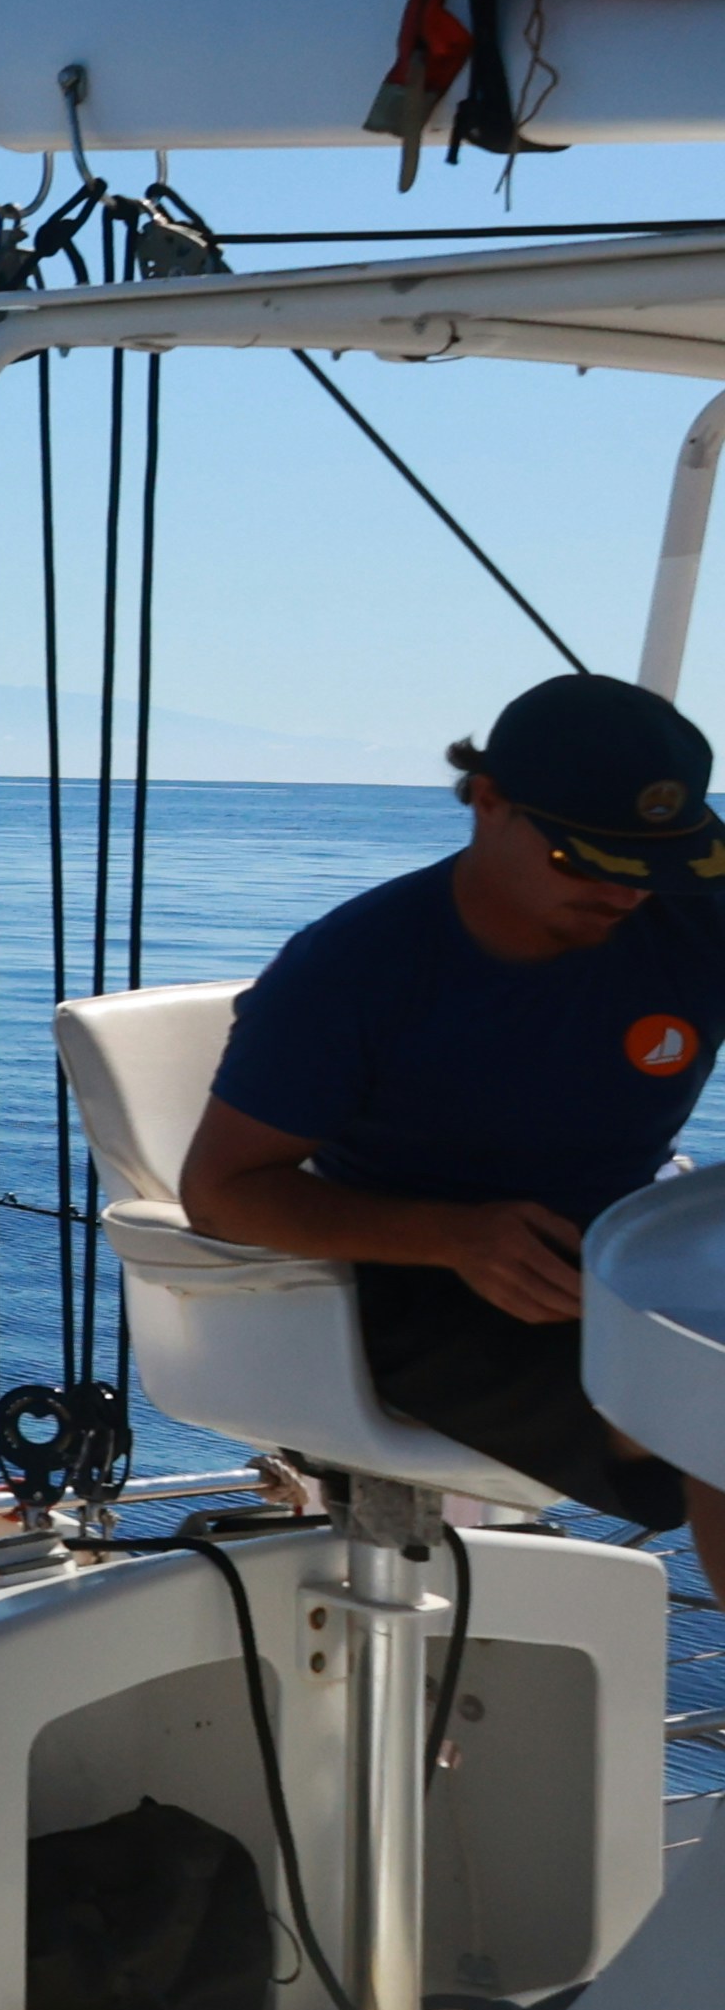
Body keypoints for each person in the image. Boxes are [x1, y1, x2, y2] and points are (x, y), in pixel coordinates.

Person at [177, 671, 725, 1580]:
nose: (625, 895)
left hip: (627, 1254)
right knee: (714, 1404)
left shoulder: (694, 919)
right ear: (487, 800)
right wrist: (454, 1238)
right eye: (583, 860)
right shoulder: (353, 970)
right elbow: (220, 1193)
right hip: (428, 1288)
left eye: (653, 867)